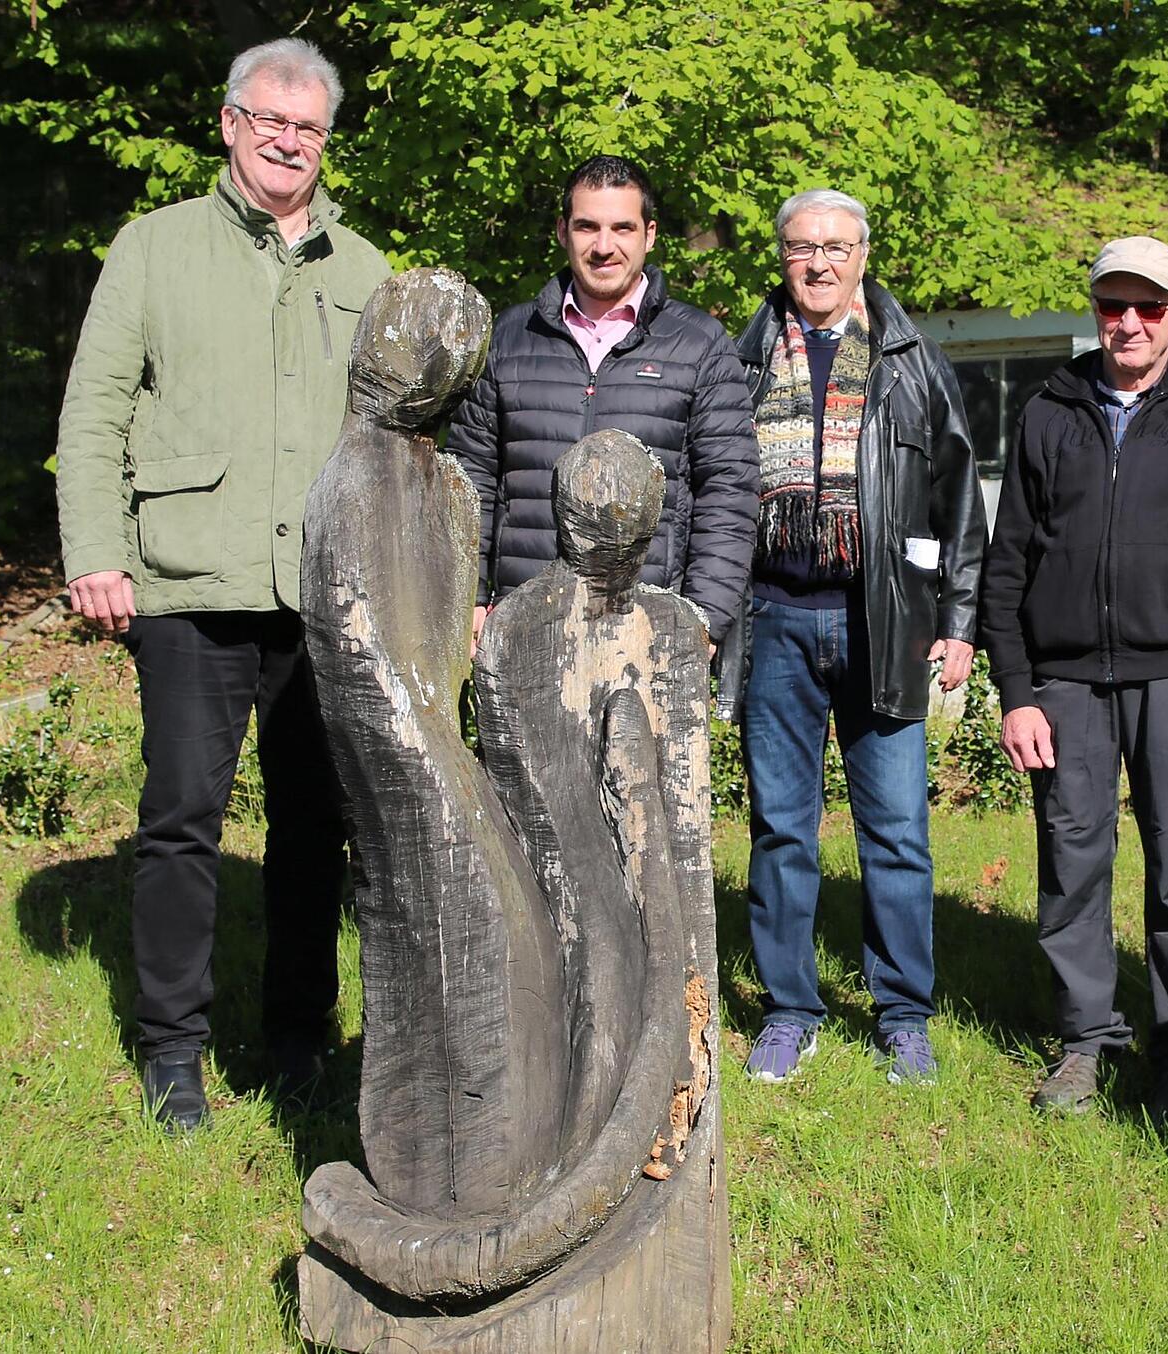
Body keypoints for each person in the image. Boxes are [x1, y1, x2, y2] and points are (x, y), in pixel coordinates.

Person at [54, 38, 391, 1132]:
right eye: (268, 120)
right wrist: (94, 550)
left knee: (312, 825)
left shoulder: (367, 271)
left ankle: (298, 1037)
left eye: (308, 127)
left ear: (324, 140)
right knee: (181, 819)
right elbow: (95, 408)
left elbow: (395, 439)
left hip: (320, 595)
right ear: (229, 121)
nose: (287, 141)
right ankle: (172, 1052)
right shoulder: (154, 250)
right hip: (188, 582)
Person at [980, 236, 1168, 1131]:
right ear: (1096, 311)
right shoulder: (1047, 411)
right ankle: (1087, 1040)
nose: (1129, 323)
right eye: (1113, 305)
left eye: (1149, 306)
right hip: (1066, 682)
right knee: (1073, 862)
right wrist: (1017, 690)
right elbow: (1009, 561)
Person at [731, 189, 985, 1087]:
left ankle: (903, 1013)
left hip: (886, 623)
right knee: (781, 831)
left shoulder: (914, 362)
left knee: (898, 831)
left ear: (865, 256)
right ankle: (791, 1009)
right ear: (783, 256)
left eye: (837, 247)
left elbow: (959, 501)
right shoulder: (746, 357)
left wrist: (957, 623)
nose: (820, 264)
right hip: (777, 623)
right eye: (802, 247)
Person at [448, 155, 757, 651]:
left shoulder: (699, 344)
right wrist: (468, 600)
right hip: (523, 624)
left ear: (649, 235)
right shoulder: (509, 337)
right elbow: (472, 479)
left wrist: (703, 619)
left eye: (622, 228)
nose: (604, 246)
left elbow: (729, 491)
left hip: (650, 628)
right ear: (562, 231)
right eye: (587, 226)